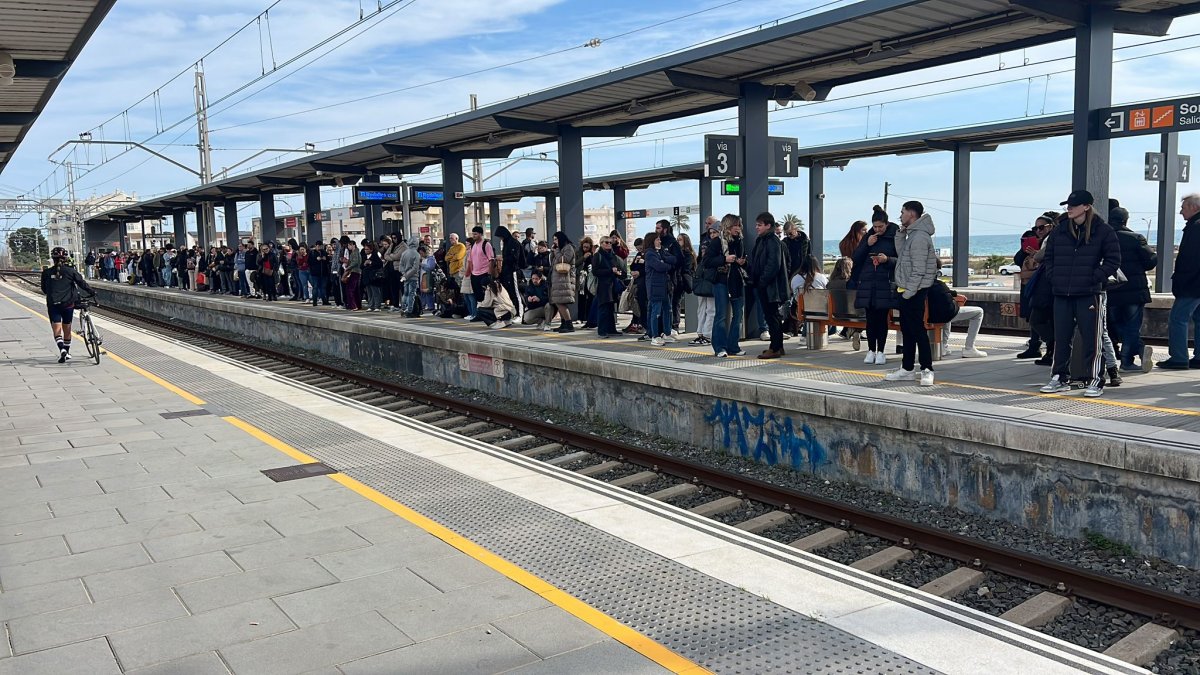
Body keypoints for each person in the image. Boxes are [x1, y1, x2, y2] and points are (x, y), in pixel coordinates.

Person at [1039, 190, 1121, 397]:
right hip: (1062, 293)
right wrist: (1054, 277)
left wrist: (1094, 277)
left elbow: (1113, 260)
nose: (1069, 209)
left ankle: (1095, 380)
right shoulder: (1060, 230)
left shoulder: (1103, 230)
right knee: (1061, 338)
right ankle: (1059, 377)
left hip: (1090, 293)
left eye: (1073, 205)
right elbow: (1049, 257)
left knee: (1093, 339)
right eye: (1068, 205)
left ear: (1086, 207)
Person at [885, 201, 938, 386]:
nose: (900, 215)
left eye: (903, 212)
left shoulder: (920, 237)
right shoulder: (911, 235)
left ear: (912, 214)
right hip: (907, 289)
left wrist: (909, 292)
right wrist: (900, 234)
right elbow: (903, 255)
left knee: (917, 330)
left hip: (914, 290)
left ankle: (927, 369)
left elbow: (919, 269)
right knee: (907, 330)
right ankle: (907, 368)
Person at [1106, 207, 1157, 373]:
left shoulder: (1103, 238)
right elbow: (1151, 261)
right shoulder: (1136, 238)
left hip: (1111, 289)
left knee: (1116, 325)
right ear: (1125, 220)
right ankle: (1128, 360)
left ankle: (1138, 351)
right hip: (1134, 289)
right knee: (1132, 326)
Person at [1159, 193, 1200, 370]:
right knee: (1199, 319)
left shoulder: (1195, 227)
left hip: (1192, 285)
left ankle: (1179, 357)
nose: (1181, 212)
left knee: (1178, 318)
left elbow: (1190, 260)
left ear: (1194, 207)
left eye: (1183, 207)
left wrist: (1180, 282)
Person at [1015, 212, 1059, 359]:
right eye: (1036, 228)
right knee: (1035, 318)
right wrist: (1025, 249)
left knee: (1039, 319)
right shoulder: (1035, 239)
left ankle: (1052, 347)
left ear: (1051, 226)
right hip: (1035, 286)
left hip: (1045, 287)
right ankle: (1040, 347)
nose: (1038, 231)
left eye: (1041, 227)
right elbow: (1018, 259)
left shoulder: (1052, 241)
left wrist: (1037, 254)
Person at [41, 247, 95, 363]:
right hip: (68, 304)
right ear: (65, 258)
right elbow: (82, 283)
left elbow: (44, 289)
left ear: (53, 259)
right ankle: (67, 351)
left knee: (57, 329)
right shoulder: (71, 271)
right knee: (67, 328)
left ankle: (62, 349)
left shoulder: (46, 273)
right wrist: (92, 292)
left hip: (53, 304)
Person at [749, 212, 789, 359]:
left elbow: (773, 264)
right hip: (765, 285)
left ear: (768, 225)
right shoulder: (762, 240)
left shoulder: (772, 241)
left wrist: (762, 281)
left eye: (759, 225)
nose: (757, 227)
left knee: (772, 317)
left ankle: (775, 347)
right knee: (772, 316)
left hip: (771, 287)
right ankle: (777, 346)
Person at [705, 214, 746, 358]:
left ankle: (733, 346)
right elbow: (707, 261)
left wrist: (742, 262)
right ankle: (720, 347)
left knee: (738, 315)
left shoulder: (739, 241)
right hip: (721, 281)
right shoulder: (717, 242)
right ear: (728, 226)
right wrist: (724, 259)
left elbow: (743, 258)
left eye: (739, 225)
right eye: (735, 225)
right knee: (721, 315)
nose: (738, 228)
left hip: (736, 281)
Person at [933, 281, 987, 358]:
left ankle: (943, 347)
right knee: (979, 312)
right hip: (944, 314)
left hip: (931, 314)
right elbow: (947, 291)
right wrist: (955, 295)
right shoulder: (937, 283)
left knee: (945, 315)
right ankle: (969, 348)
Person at [690, 218, 720, 346]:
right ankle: (701, 333)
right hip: (703, 275)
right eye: (706, 224)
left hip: (712, 276)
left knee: (711, 308)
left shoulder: (720, 242)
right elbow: (700, 258)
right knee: (701, 307)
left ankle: (707, 334)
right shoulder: (704, 238)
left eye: (710, 224)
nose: (707, 226)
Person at [643, 232, 676, 345]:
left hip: (664, 286)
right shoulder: (650, 254)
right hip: (655, 286)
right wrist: (666, 264)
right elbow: (659, 266)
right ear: (651, 241)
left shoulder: (660, 252)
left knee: (667, 309)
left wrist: (664, 261)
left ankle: (666, 333)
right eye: (657, 240)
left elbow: (673, 259)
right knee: (655, 311)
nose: (660, 241)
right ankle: (655, 335)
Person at [592, 236, 624, 338]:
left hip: (612, 284)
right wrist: (610, 271)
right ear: (601, 243)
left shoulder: (612, 255)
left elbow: (616, 267)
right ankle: (602, 331)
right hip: (603, 285)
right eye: (606, 242)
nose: (609, 244)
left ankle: (611, 329)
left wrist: (617, 272)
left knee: (610, 308)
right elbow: (595, 271)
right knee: (603, 308)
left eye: (610, 243)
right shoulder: (598, 255)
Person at [464, 226, 494, 320]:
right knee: (478, 296)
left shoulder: (486, 244)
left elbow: (491, 260)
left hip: (484, 273)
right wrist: (468, 273)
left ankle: (487, 314)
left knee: (486, 296)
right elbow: (470, 260)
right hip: (474, 274)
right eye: (473, 234)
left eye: (475, 234)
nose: (474, 236)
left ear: (481, 234)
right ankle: (479, 315)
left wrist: (489, 274)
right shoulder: (473, 245)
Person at [495, 226, 526, 320]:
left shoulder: (513, 243)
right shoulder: (507, 243)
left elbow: (515, 258)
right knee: (510, 293)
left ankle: (519, 314)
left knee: (516, 293)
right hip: (507, 271)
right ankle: (514, 312)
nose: (500, 238)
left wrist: (503, 259)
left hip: (513, 271)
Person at [549, 231, 577, 333]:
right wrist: (553, 251)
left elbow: (564, 260)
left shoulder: (568, 248)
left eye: (556, 239)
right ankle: (564, 323)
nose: (554, 241)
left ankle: (569, 324)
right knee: (559, 302)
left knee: (561, 302)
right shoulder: (560, 249)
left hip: (565, 279)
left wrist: (556, 251)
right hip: (558, 280)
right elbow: (553, 261)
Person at [575, 237, 596, 327]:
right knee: (581, 298)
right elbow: (575, 264)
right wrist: (583, 258)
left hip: (590, 277)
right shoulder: (578, 253)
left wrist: (592, 255)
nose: (585, 249)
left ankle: (588, 317)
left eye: (587, 247)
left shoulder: (593, 253)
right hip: (581, 277)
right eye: (584, 247)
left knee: (590, 297)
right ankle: (580, 317)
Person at [399, 236, 422, 315]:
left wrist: (404, 274)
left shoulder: (404, 253)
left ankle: (403, 308)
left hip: (404, 277)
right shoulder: (416, 254)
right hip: (413, 277)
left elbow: (400, 266)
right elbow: (415, 268)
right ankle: (409, 310)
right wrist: (408, 275)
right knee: (411, 293)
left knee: (405, 293)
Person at [362, 242, 385, 312]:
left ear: (371, 250)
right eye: (365, 249)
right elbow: (361, 266)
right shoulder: (364, 256)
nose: (366, 251)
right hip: (367, 277)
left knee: (375, 292)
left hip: (374, 277)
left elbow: (380, 264)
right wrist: (364, 264)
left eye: (367, 249)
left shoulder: (375, 255)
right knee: (369, 293)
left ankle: (377, 306)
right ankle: (371, 305)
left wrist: (371, 262)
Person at [308, 241, 331, 306]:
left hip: (324, 273)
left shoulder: (324, 252)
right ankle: (314, 301)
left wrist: (325, 259)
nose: (319, 247)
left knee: (323, 287)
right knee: (315, 287)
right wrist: (316, 259)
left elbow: (328, 261)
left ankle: (324, 300)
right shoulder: (312, 253)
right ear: (315, 246)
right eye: (317, 246)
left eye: (320, 246)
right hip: (315, 273)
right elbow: (309, 262)